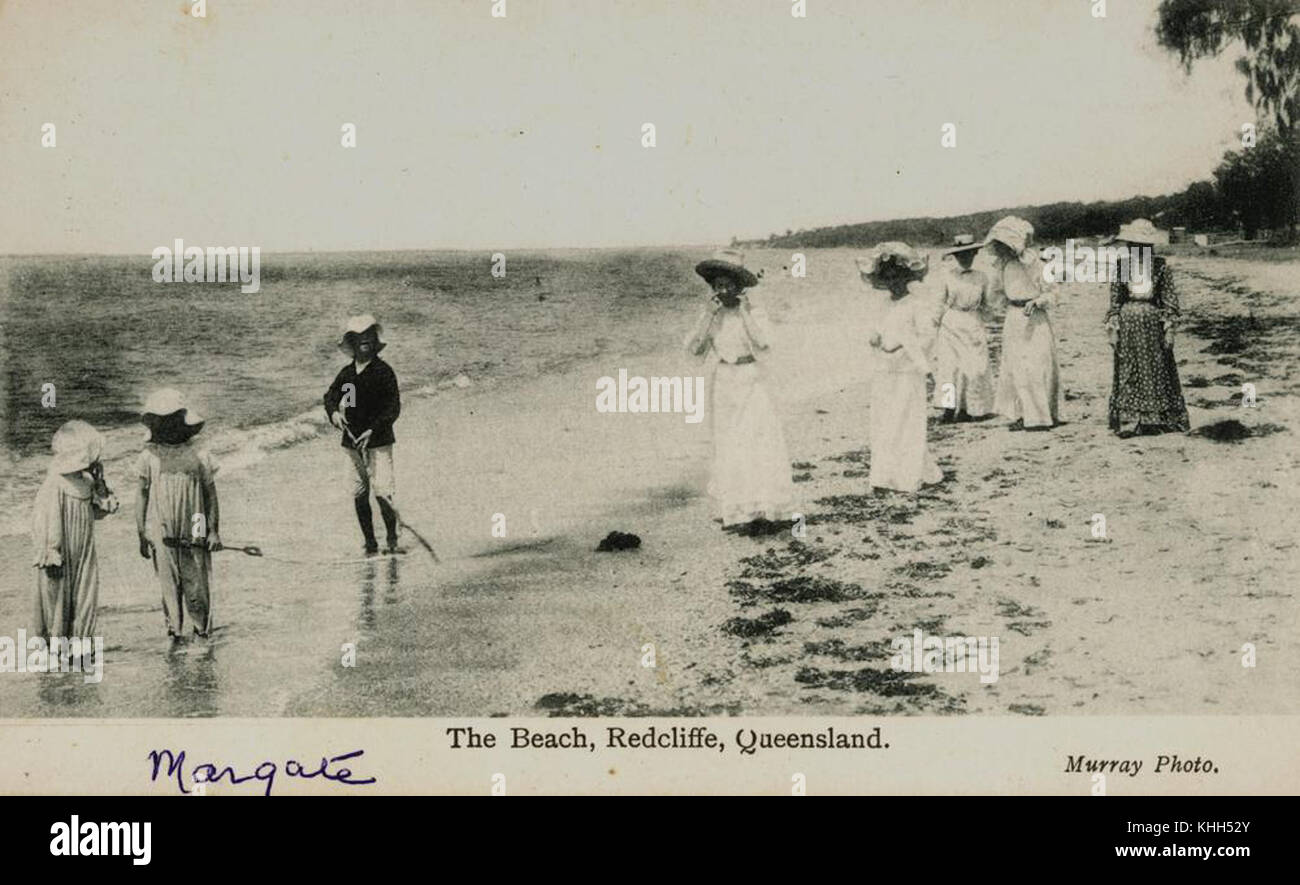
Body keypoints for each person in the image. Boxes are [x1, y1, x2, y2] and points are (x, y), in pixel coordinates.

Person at [685, 250, 795, 531]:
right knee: (729, 443)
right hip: (724, 382)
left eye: (728, 285)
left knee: (757, 440)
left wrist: (745, 311)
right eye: (718, 285)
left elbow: (763, 344)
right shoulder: (712, 315)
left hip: (752, 380)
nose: (723, 291)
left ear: (739, 286)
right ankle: (737, 509)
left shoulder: (754, 313)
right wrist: (708, 316)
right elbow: (695, 350)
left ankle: (765, 507)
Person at [856, 242, 945, 493]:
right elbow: (879, 330)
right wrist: (874, 337)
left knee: (905, 421)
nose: (893, 282)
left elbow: (927, 337)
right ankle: (886, 475)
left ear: (907, 277)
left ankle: (906, 475)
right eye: (888, 277)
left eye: (898, 276)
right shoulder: (885, 305)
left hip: (907, 370)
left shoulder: (916, 304)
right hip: (884, 370)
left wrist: (903, 348)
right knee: (884, 422)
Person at [135, 389, 221, 641]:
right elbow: (141, 495)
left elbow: (210, 495)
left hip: (196, 524)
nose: (168, 426)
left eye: (173, 420)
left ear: (182, 421)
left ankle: (202, 633)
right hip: (162, 529)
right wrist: (141, 532)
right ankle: (174, 633)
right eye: (163, 421)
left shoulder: (199, 455)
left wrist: (214, 530)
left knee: (197, 584)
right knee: (168, 587)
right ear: (156, 425)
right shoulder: (149, 457)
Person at [31, 420, 118, 658]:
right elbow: (44, 519)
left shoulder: (87, 481)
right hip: (61, 550)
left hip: (83, 550)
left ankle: (80, 645)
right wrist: (50, 549)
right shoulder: (55, 483)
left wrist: (101, 484)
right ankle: (57, 647)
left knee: (85, 594)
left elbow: (99, 511)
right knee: (58, 598)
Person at [323, 314, 403, 554]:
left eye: (369, 335)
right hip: (351, 442)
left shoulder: (383, 372)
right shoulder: (347, 374)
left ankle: (391, 539)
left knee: (383, 493)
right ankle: (369, 542)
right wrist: (334, 414)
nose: (364, 340)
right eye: (359, 337)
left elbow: (393, 407)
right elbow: (331, 397)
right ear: (352, 343)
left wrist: (372, 430)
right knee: (359, 494)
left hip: (378, 441)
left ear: (375, 340)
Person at [1105, 219, 1190, 437]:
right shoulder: (1122, 267)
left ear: (1148, 246)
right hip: (1128, 323)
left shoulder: (1161, 266)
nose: (1135, 249)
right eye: (1131, 245)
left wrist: (1169, 329)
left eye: (1140, 245)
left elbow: (1170, 301)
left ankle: (1156, 419)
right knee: (1128, 368)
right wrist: (1113, 327)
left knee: (1156, 367)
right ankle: (1130, 420)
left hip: (1153, 323)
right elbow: (1115, 301)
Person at [984, 216, 1061, 430]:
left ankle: (1041, 416)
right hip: (1014, 319)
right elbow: (996, 294)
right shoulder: (1003, 266)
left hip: (1035, 320)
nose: (1003, 249)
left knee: (1037, 365)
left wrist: (1038, 301)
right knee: (1015, 366)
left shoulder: (1036, 264)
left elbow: (1053, 292)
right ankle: (1022, 414)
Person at [932, 235, 995, 421]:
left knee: (975, 367)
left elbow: (987, 304)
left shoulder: (982, 277)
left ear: (975, 253)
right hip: (951, 323)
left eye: (968, 254)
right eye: (960, 255)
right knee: (948, 368)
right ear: (955, 256)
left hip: (973, 321)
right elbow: (938, 302)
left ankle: (970, 409)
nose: (965, 258)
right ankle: (948, 408)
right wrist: (934, 322)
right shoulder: (947, 275)